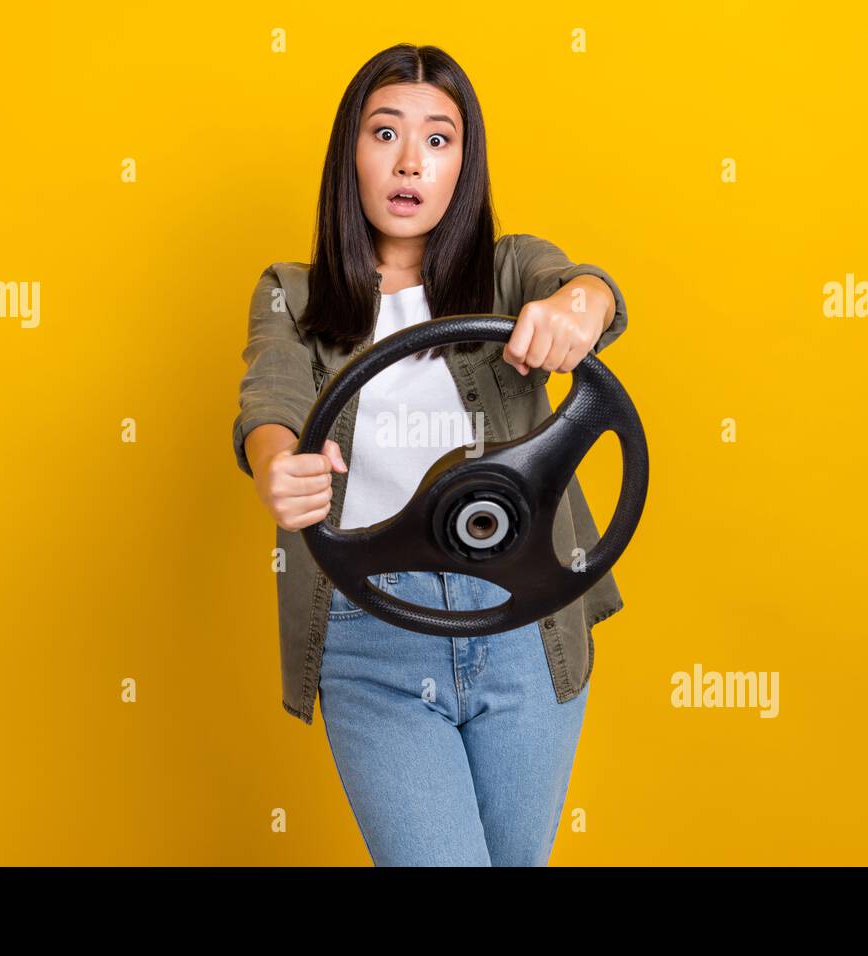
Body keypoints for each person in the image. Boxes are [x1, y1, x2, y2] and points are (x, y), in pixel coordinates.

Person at [232, 43, 631, 866]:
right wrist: (278, 464)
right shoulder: (290, 292)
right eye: (385, 134)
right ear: (351, 154)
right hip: (370, 630)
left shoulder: (512, 268)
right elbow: (268, 403)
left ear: (463, 165)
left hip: (526, 619)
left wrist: (578, 309)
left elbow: (587, 290)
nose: (411, 161)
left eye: (439, 139)